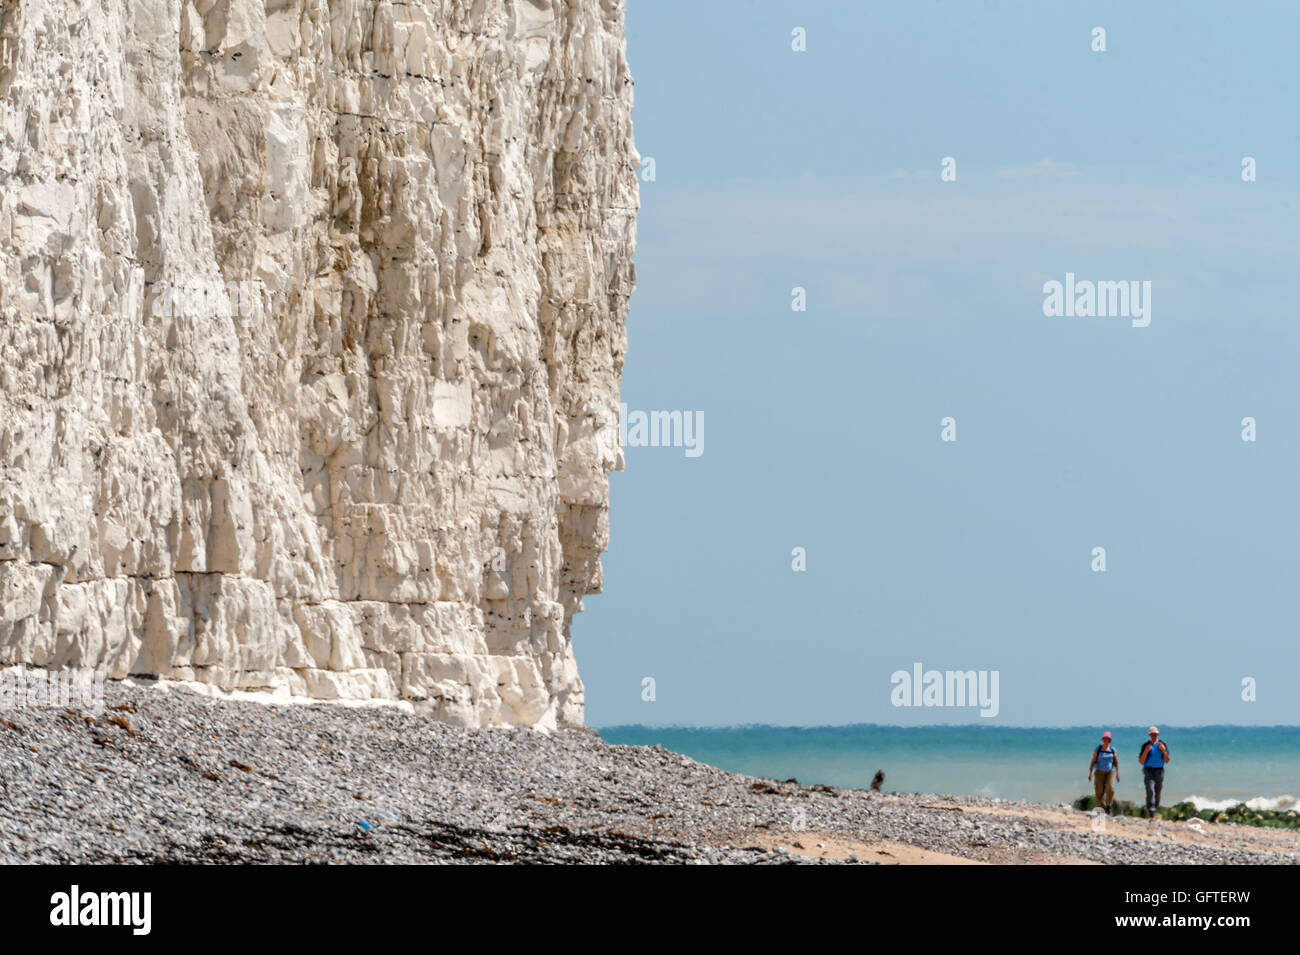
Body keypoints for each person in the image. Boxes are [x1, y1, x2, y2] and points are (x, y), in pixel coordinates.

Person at [1139, 726, 1171, 821]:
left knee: (1158, 792)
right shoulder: (1146, 745)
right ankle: (1152, 812)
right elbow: (1141, 761)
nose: (1154, 736)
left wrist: (1164, 751)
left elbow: (1167, 760)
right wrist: (1146, 751)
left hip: (1159, 770)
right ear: (1149, 735)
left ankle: (1154, 809)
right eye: (1152, 734)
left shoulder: (1162, 744)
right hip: (1148, 770)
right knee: (1150, 790)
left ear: (1158, 735)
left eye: (1155, 734)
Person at [1088, 731, 1119, 812]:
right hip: (1099, 772)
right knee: (1099, 791)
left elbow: (1116, 762)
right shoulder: (1098, 749)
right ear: (1102, 740)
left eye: (1107, 739)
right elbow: (1092, 761)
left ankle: (1109, 805)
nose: (1105, 740)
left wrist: (1117, 774)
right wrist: (1090, 774)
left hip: (1110, 771)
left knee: (1110, 788)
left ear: (1109, 740)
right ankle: (1102, 808)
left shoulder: (1112, 750)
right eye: (1104, 738)